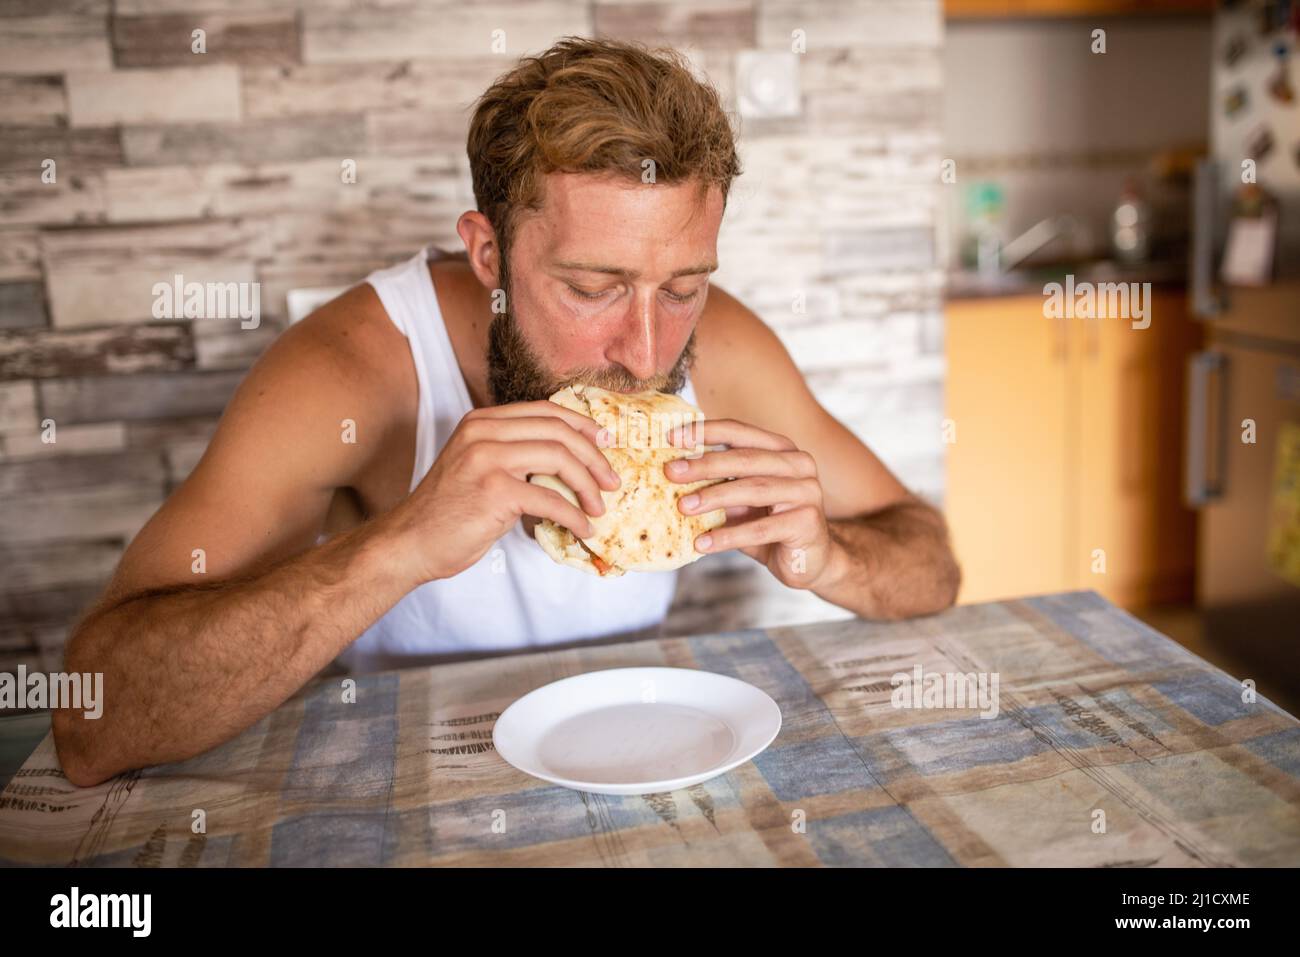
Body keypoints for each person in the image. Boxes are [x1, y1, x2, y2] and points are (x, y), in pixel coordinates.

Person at [52, 36, 960, 787]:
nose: (647, 355)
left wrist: (831, 557)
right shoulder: (353, 371)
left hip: (643, 761)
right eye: (592, 288)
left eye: (683, 285)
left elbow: (932, 563)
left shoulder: (720, 347)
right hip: (408, 787)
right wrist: (400, 545)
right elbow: (92, 719)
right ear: (487, 252)